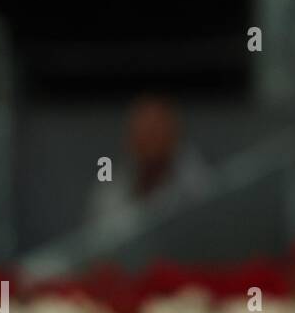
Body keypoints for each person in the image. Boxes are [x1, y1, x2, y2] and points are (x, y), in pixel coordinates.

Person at [85, 95, 209, 226]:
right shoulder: (108, 196)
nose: (150, 141)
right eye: (144, 132)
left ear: (174, 136)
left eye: (155, 132)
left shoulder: (197, 186)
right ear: (130, 140)